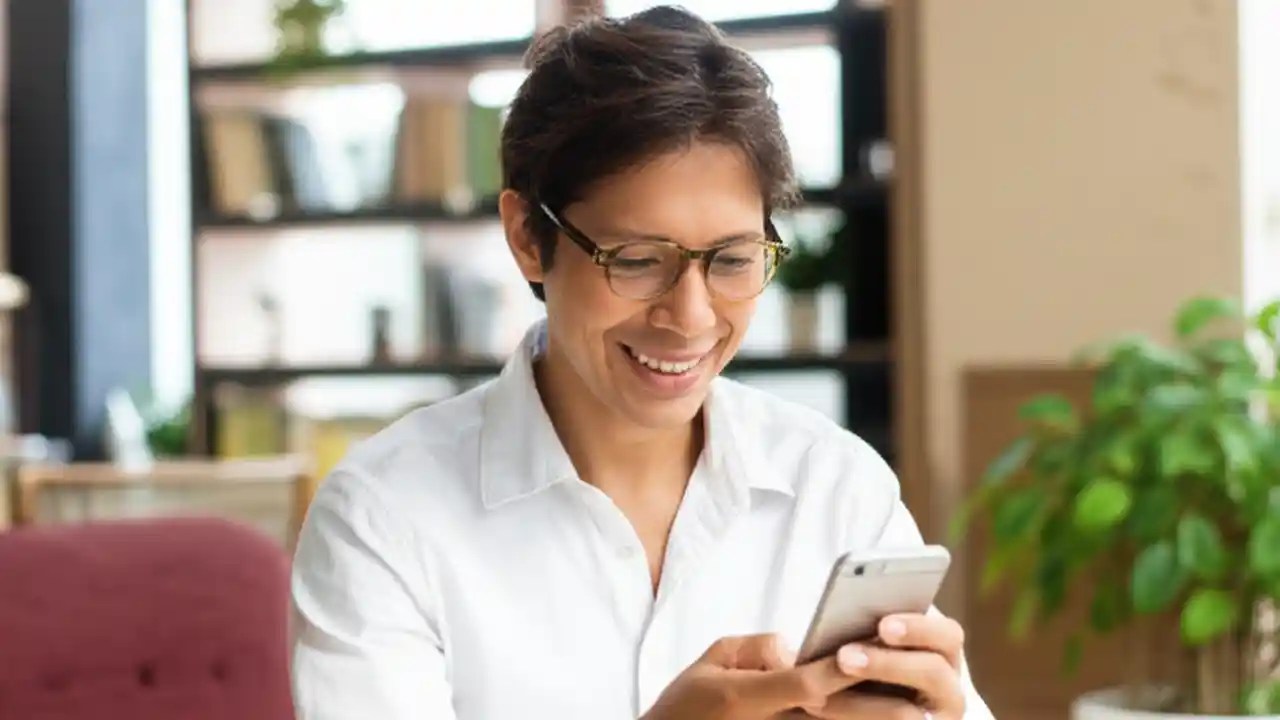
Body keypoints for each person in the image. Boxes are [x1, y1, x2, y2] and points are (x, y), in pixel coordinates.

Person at [290, 6, 993, 719]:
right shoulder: (384, 516)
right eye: (637, 260)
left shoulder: (836, 488)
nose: (690, 317)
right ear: (529, 238)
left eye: (732, 260)